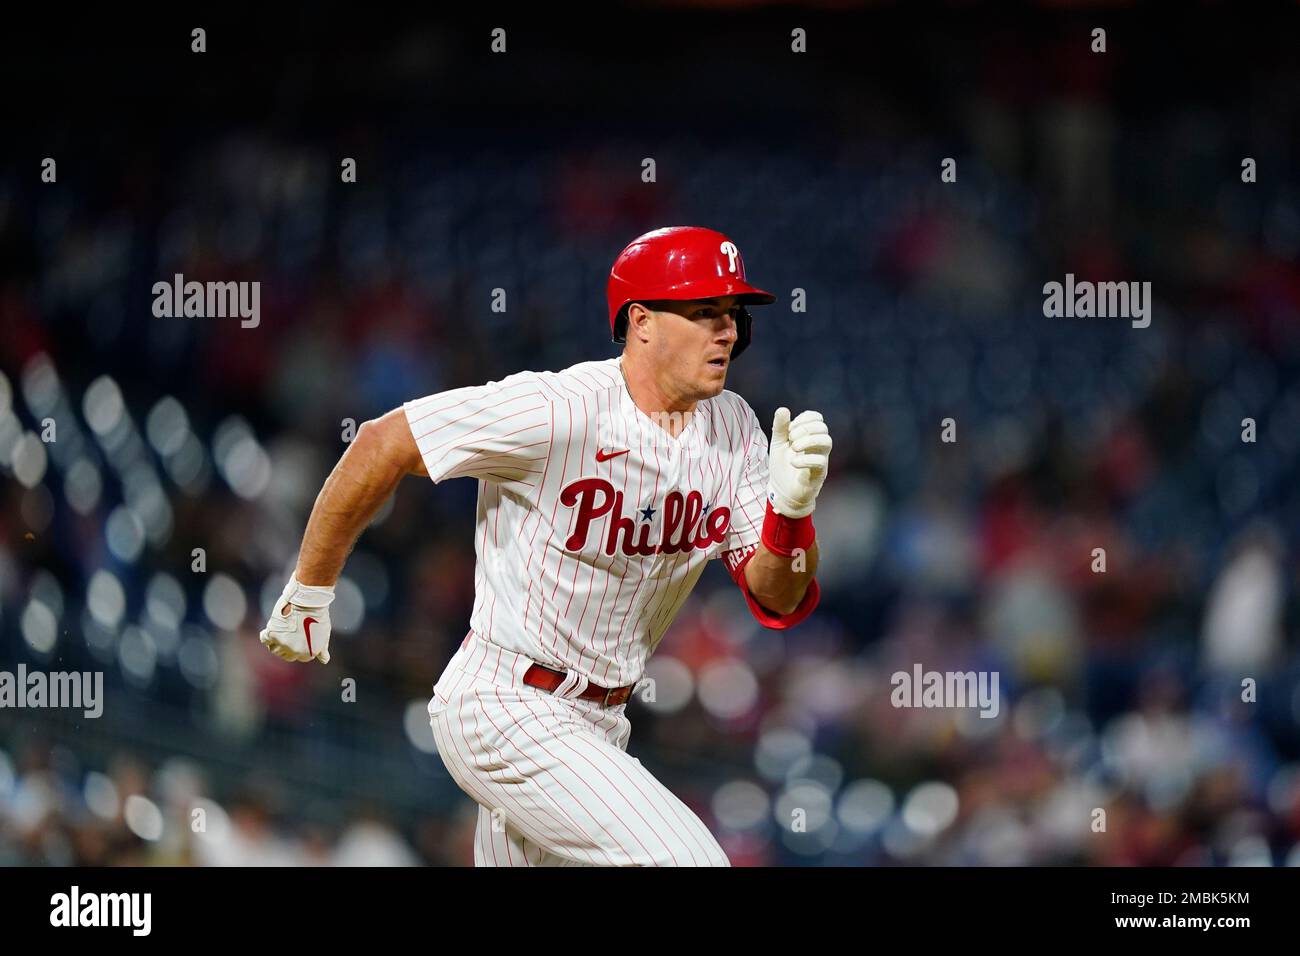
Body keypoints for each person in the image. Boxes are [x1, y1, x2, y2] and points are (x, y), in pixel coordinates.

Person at [259, 226, 833, 866]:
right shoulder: (559, 409)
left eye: (732, 315)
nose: (727, 331)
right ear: (640, 322)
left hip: (601, 729)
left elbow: (775, 596)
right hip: (505, 702)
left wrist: (792, 512)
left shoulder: (735, 428)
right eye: (704, 312)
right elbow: (382, 442)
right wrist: (310, 586)